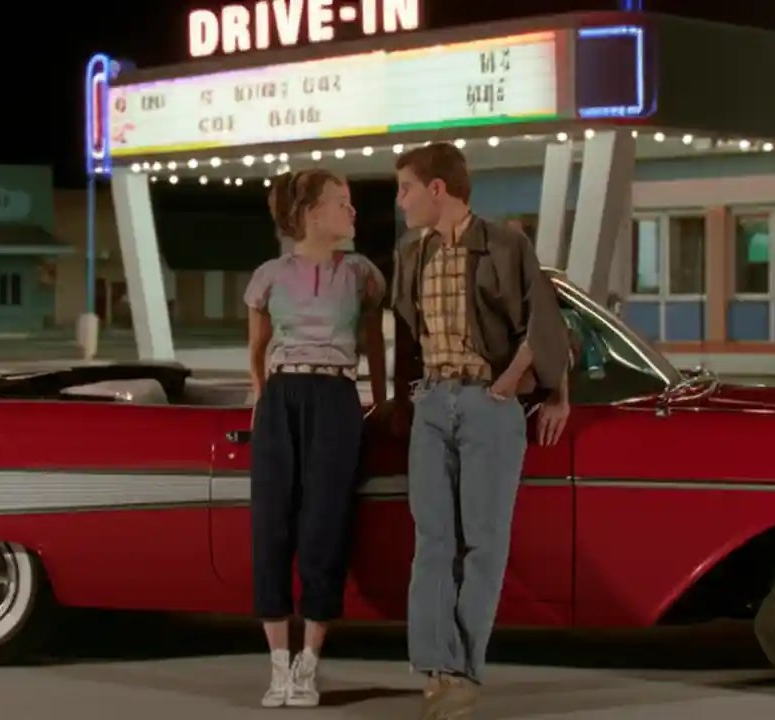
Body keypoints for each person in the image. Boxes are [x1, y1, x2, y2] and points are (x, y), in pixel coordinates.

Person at [385, 142, 571, 718]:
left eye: (406, 188)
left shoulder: (505, 243)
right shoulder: (411, 254)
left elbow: (544, 323)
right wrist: (402, 401)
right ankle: (440, 668)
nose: (400, 200)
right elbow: (408, 340)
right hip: (432, 404)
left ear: (437, 189)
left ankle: (464, 672)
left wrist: (514, 384)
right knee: (433, 542)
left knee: (483, 544)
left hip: (487, 405)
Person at [244, 168, 389, 708]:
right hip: (281, 399)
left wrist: (380, 399)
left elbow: (375, 343)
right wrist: (262, 401)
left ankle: (309, 665)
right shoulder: (268, 276)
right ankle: (277, 667)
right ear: (311, 215)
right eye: (342, 203)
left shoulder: (362, 274)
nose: (352, 213)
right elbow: (257, 352)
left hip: (336, 398)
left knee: (325, 524)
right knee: (271, 525)